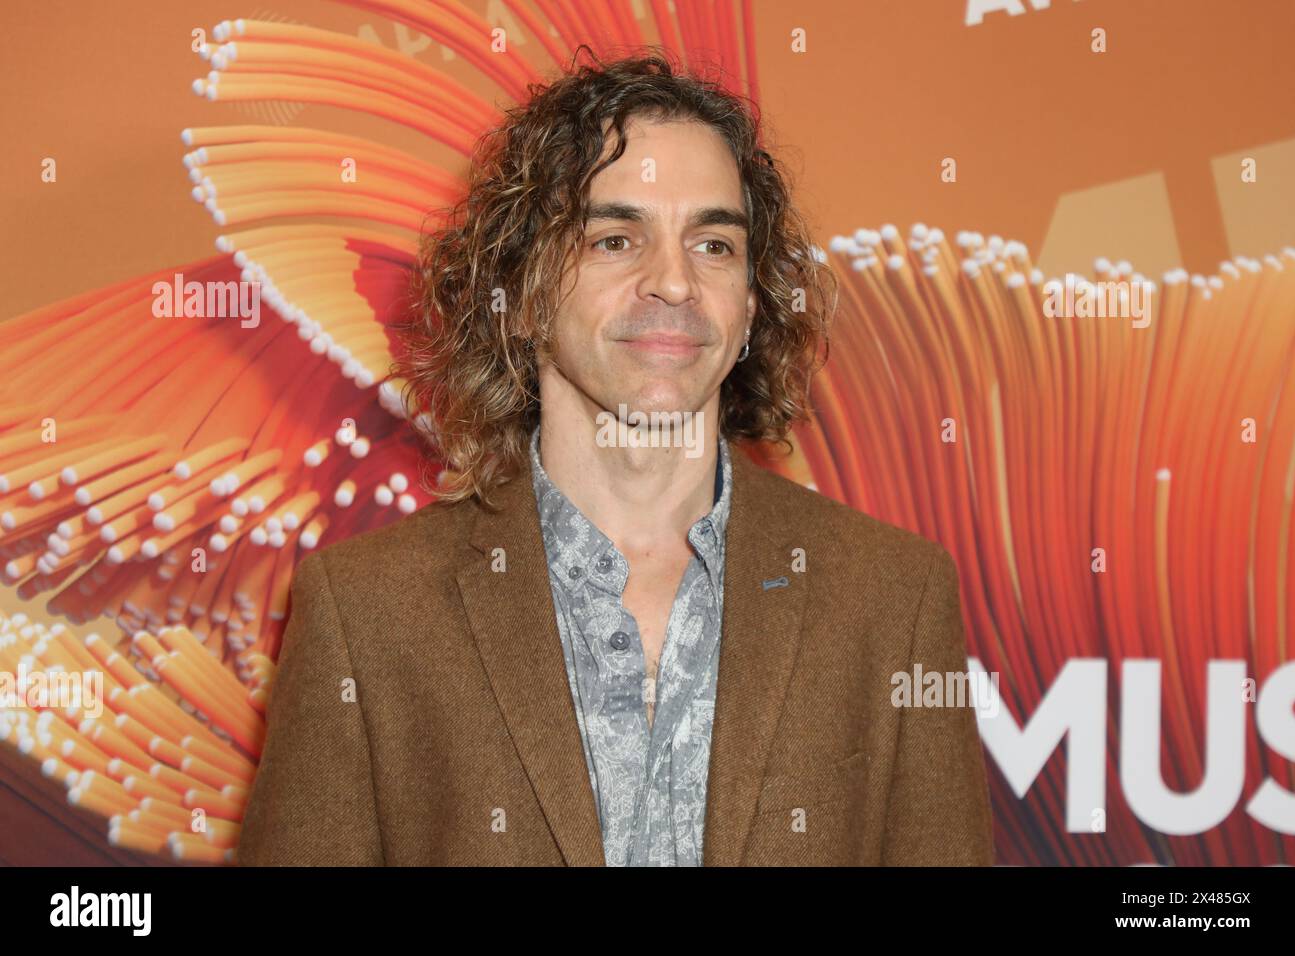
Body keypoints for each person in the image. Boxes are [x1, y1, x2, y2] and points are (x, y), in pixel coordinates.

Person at [238, 48, 994, 867]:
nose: (673, 282)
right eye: (613, 238)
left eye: (713, 245)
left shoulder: (892, 596)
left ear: (748, 307)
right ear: (522, 294)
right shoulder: (367, 615)